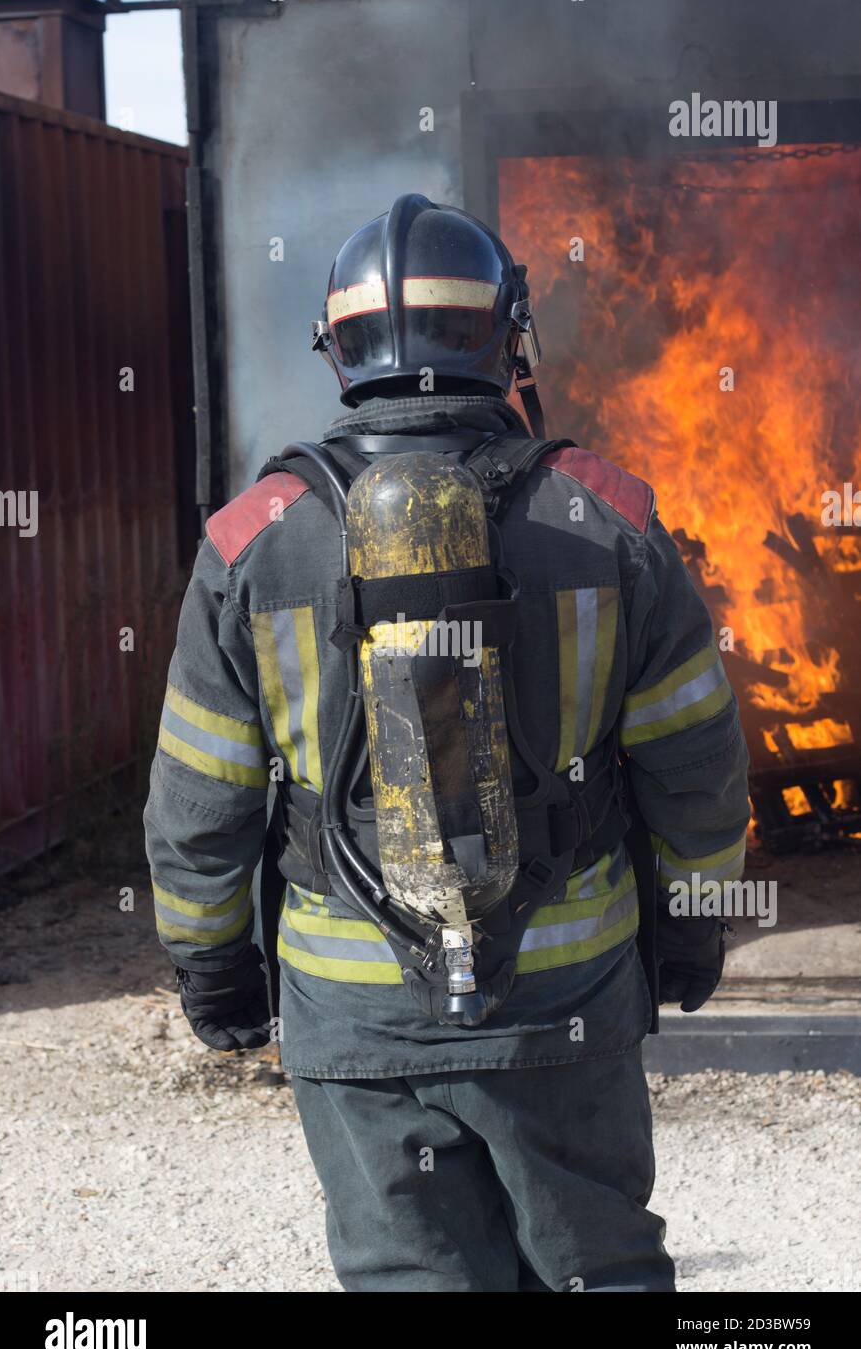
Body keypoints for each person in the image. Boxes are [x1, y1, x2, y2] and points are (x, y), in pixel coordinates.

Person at [144, 193, 750, 1293]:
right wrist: (692, 930)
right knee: (598, 1271)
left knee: (410, 1280)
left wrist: (213, 973)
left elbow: (199, 803)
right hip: (562, 1002)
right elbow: (693, 764)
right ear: (505, 338)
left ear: (339, 348)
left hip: (356, 1015)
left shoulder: (251, 543)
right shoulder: (603, 519)